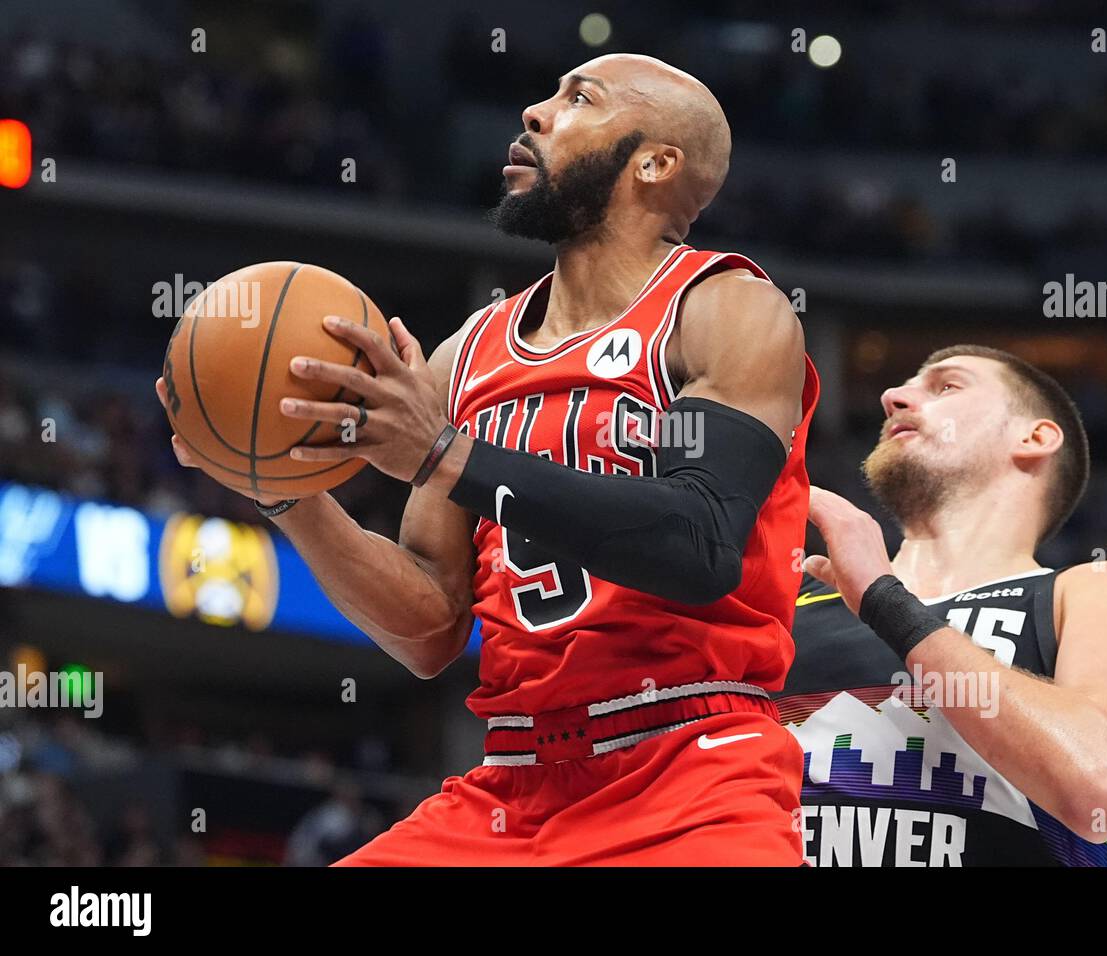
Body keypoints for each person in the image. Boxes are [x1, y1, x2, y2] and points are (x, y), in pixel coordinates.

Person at [157, 54, 819, 865]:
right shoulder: (464, 358)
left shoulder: (722, 310)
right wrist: (284, 493)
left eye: (578, 98)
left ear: (655, 162)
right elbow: (432, 626)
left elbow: (702, 542)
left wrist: (444, 452)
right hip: (514, 784)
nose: (534, 114)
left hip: (692, 773)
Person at [779, 345, 1107, 866]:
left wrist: (884, 599)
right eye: (904, 387)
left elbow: (1100, 783)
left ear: (1034, 436)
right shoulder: (792, 598)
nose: (892, 397)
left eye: (945, 385)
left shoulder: (1102, 587)